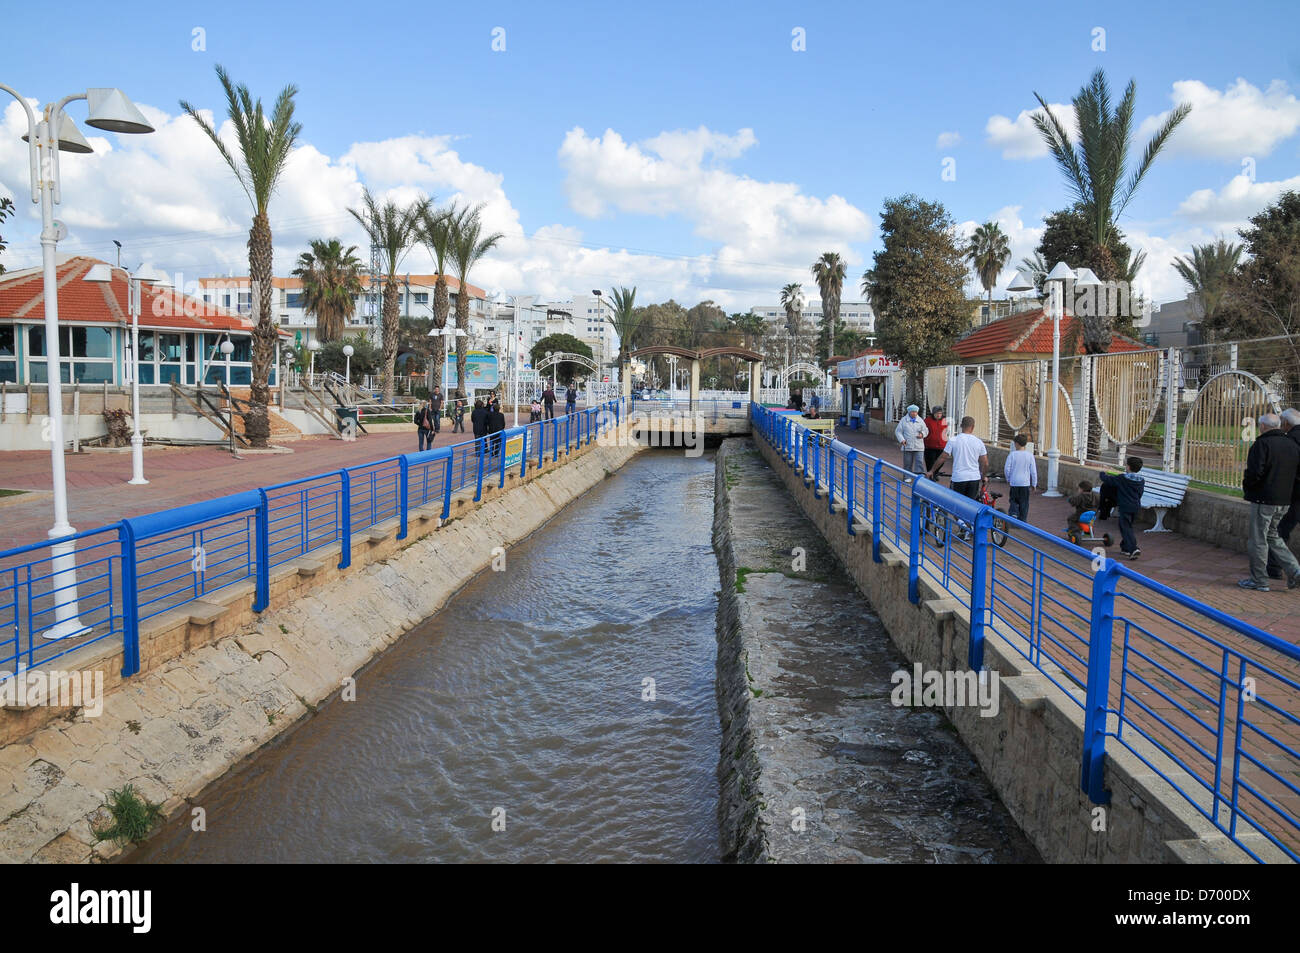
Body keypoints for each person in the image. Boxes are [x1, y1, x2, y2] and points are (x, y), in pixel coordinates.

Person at [1240, 412, 1300, 591]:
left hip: (1264, 498)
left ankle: (1259, 579)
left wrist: (1248, 487)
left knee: (1258, 539)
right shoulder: (1292, 444)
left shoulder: (1262, 444)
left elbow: (1254, 473)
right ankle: (1294, 570)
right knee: (1273, 536)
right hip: (1284, 500)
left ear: (1263, 426)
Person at [1266, 408, 1300, 578]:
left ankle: (1274, 567)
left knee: (1280, 530)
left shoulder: (1291, 441)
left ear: (1286, 423)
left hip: (1295, 494)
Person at [926, 415, 987, 500]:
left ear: (961, 426)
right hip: (974, 478)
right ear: (973, 427)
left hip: (959, 478)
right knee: (971, 505)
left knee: (956, 504)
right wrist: (983, 476)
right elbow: (985, 462)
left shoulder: (953, 440)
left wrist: (932, 471)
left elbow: (942, 458)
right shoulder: (979, 442)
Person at [1100, 456, 1146, 560]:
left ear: (1128, 467)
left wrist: (1102, 473)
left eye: (1126, 464)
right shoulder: (1141, 480)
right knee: (1127, 526)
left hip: (1125, 506)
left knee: (1125, 527)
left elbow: (1108, 480)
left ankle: (1133, 549)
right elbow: (1140, 493)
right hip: (1135, 506)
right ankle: (1125, 548)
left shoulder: (1122, 478)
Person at [1004, 432, 1037, 521]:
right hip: (1025, 483)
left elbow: (1007, 468)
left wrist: (1008, 478)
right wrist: (1034, 484)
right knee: (1024, 503)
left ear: (1017, 444)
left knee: (1013, 500)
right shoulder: (1030, 455)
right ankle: (1023, 520)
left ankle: (1014, 513)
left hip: (1014, 482)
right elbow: (1033, 471)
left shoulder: (1012, 455)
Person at [894, 404, 929, 475]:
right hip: (907, 444)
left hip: (919, 445)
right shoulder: (904, 420)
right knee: (907, 462)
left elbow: (926, 430)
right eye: (912, 412)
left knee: (919, 461)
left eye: (915, 412)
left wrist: (922, 434)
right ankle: (907, 476)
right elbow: (898, 431)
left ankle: (919, 475)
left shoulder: (920, 420)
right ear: (909, 412)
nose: (914, 413)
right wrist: (902, 440)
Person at [923, 407, 948, 476]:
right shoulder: (927, 421)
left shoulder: (944, 420)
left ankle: (935, 473)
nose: (939, 415)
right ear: (933, 413)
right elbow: (923, 430)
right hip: (930, 445)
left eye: (940, 413)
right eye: (937, 413)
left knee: (941, 462)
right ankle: (930, 475)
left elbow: (946, 431)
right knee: (930, 462)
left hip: (941, 445)